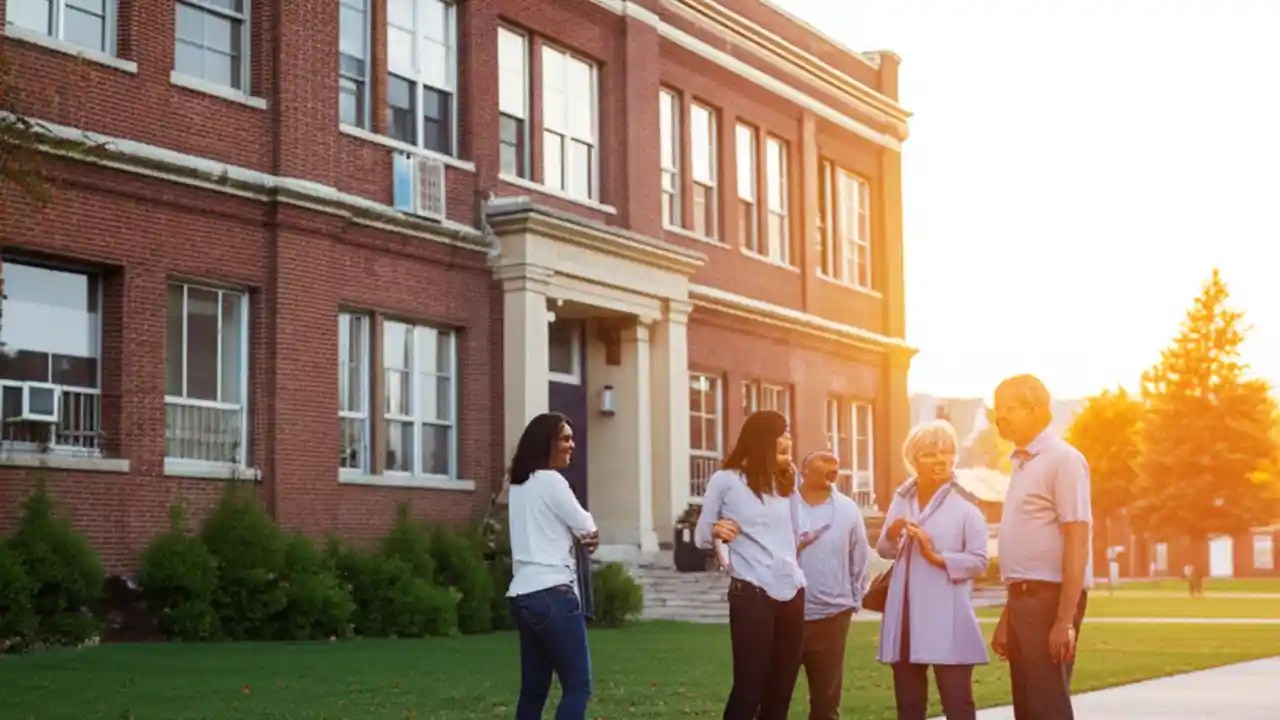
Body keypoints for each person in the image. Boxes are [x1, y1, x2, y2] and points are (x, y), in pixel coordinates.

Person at [990, 374, 1092, 720]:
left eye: (1008, 408)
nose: (999, 417)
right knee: (1028, 709)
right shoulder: (1022, 464)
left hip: (1050, 600)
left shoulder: (1063, 460)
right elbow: (1024, 548)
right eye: (996, 409)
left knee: (1047, 706)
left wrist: (1065, 619)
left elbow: (1078, 537)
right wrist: (1008, 615)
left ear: (1034, 410)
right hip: (1023, 600)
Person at [695, 410, 806, 720]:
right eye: (781, 433)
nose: (788, 439)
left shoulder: (787, 481)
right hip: (752, 594)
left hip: (792, 592)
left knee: (781, 690)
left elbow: (796, 532)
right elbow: (700, 535)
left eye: (789, 433)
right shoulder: (726, 480)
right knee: (749, 687)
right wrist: (716, 530)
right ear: (762, 439)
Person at [876, 420, 990, 720]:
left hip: (947, 615)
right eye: (929, 454)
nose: (939, 460)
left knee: (957, 704)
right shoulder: (902, 499)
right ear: (914, 459)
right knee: (909, 708)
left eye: (946, 453)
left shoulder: (966, 504)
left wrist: (936, 556)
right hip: (905, 616)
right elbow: (884, 550)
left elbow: (979, 560)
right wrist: (893, 532)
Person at [505, 412, 600, 720]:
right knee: (577, 686)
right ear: (547, 442)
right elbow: (586, 526)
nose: (572, 445)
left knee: (533, 690)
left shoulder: (519, 486)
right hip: (554, 595)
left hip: (523, 595)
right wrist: (589, 534)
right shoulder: (551, 481)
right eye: (565, 438)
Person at [795, 449, 870, 720]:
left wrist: (854, 598)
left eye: (835, 464)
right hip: (784, 616)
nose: (833, 467)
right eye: (824, 461)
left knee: (826, 700)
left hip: (832, 618)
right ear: (804, 470)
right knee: (772, 695)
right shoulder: (784, 505)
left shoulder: (848, 510)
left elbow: (859, 556)